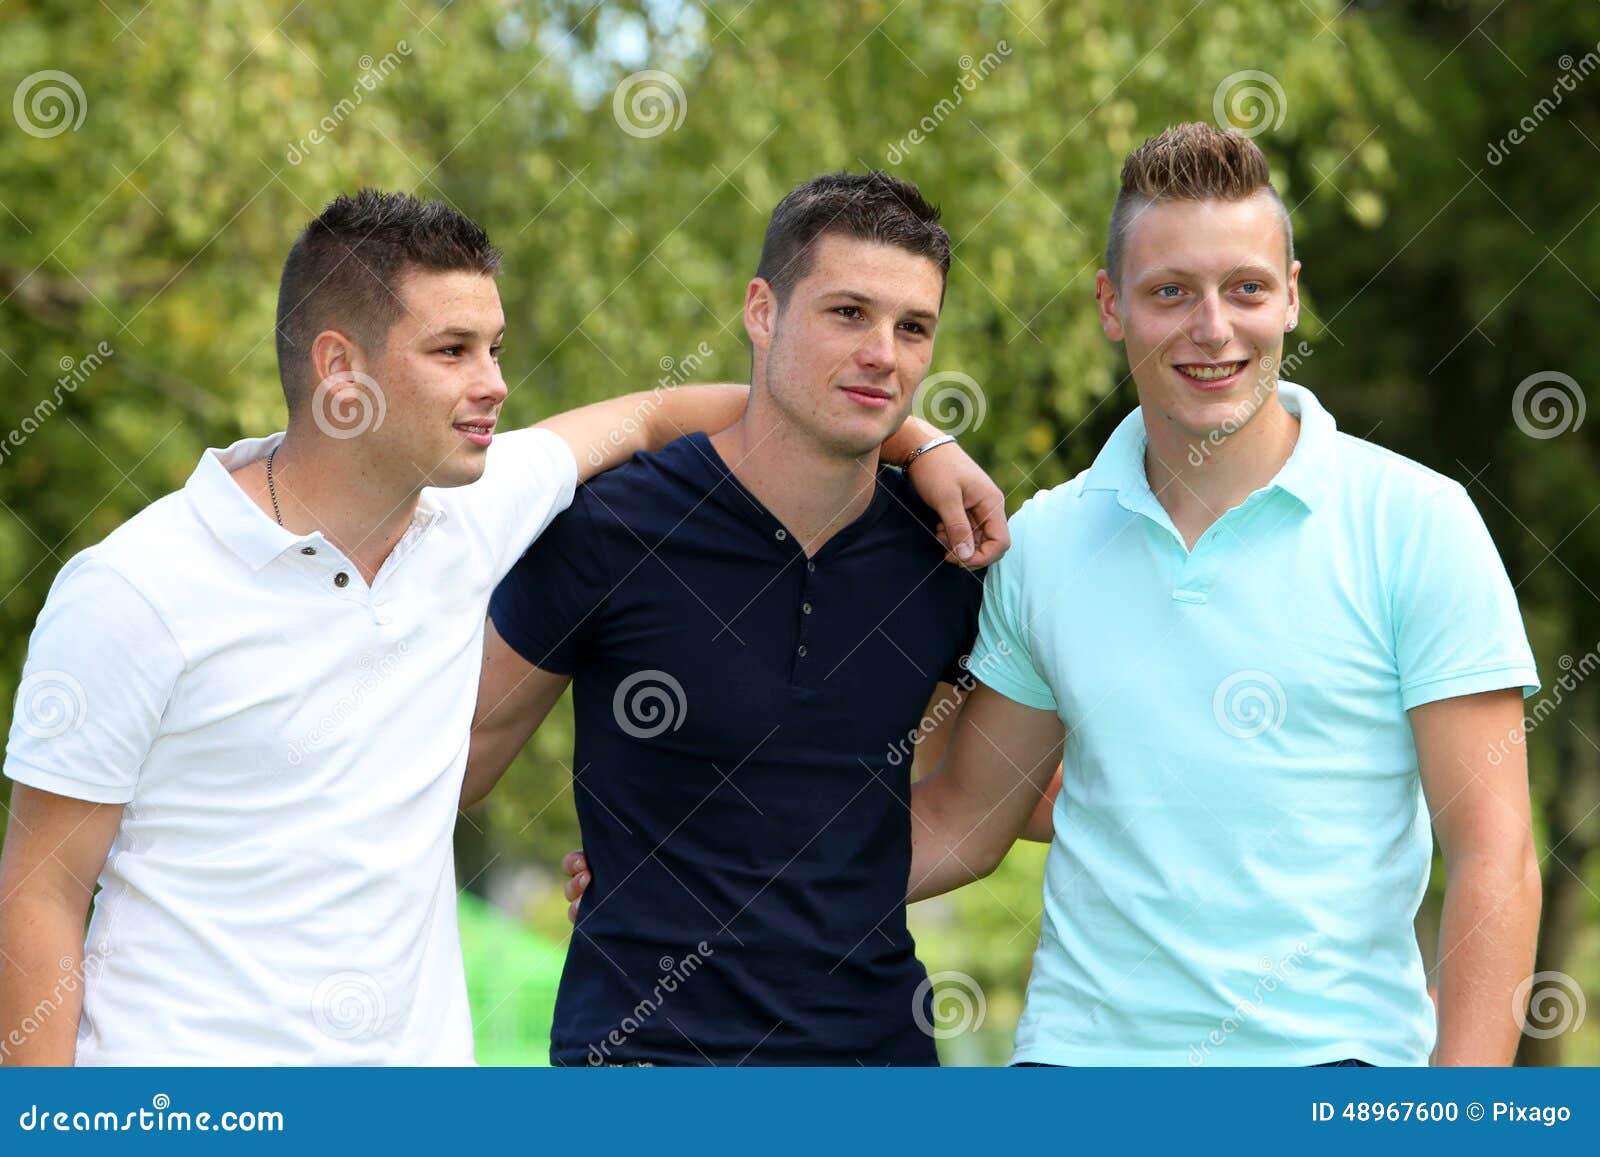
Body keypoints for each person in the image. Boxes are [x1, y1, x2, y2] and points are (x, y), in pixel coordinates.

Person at [0, 188, 1002, 1066]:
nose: (495, 385)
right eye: (452, 351)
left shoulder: (474, 508)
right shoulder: (135, 587)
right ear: (340, 368)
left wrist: (924, 440)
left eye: (495, 347)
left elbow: (667, 413)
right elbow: (38, 897)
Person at [903, 123, 1542, 1066]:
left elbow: (1496, 854)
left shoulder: (1417, 521)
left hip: (1333, 1075)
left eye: (1245, 288)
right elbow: (960, 816)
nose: (1213, 329)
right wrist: (697, 867)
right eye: (1171, 293)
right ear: (1111, 305)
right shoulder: (1046, 540)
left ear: (1291, 296)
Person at [467, 172, 1027, 1066]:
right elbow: (454, 765)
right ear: (761, 311)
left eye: (913, 326)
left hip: (880, 1069)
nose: (884, 352)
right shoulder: (611, 528)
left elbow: (1010, 801)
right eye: (848, 312)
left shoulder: (951, 558)